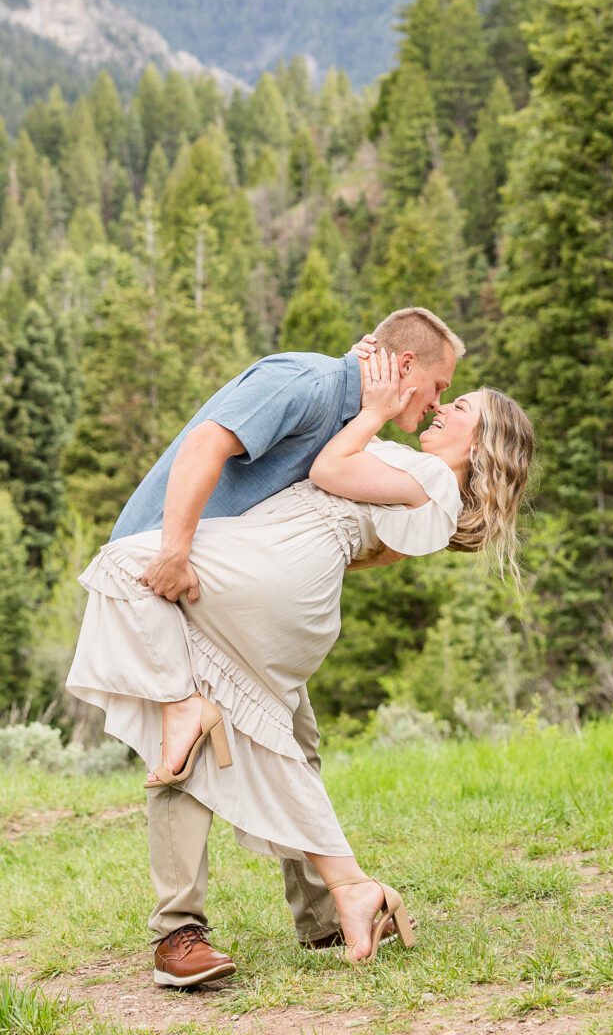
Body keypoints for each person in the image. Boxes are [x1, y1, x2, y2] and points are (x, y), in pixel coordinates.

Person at [66, 326, 534, 986]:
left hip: (248, 583)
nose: (437, 406)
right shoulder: (321, 395)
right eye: (441, 391)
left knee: (191, 705)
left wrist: (288, 555)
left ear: (479, 444)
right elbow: (371, 545)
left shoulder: (403, 459)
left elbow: (330, 484)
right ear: (403, 364)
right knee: (290, 742)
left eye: (456, 406)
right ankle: (333, 903)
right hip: (266, 589)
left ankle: (188, 927)